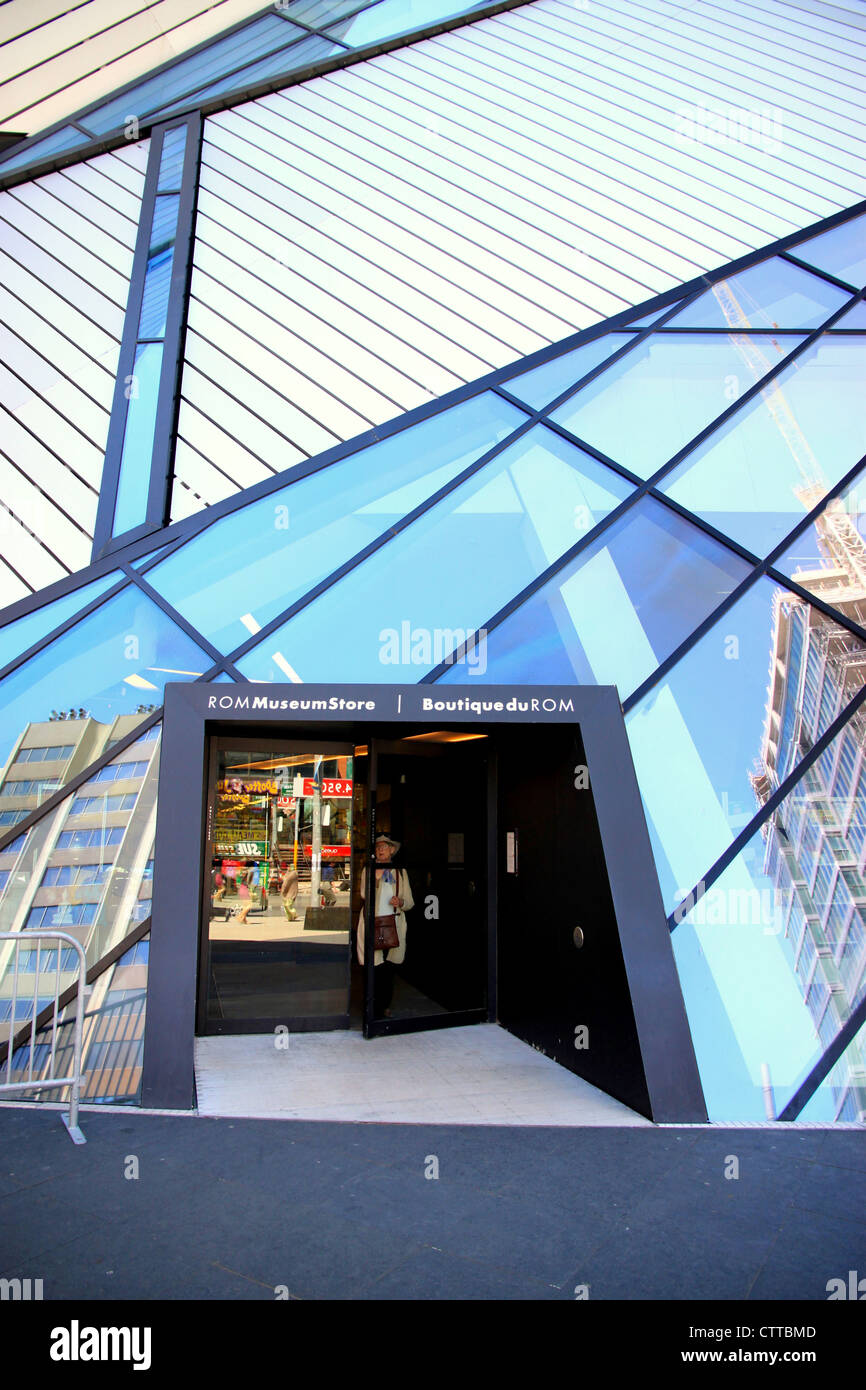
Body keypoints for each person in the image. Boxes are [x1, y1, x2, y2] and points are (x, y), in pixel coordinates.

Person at [357, 833, 414, 1017]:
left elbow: (410, 902)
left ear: (392, 850)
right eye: (378, 847)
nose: (381, 850)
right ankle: (371, 1006)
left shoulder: (400, 872)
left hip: (393, 924)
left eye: (384, 847)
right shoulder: (369, 869)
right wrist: (376, 878)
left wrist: (401, 902)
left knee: (388, 969)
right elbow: (365, 894)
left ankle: (384, 1005)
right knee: (373, 966)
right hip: (373, 924)